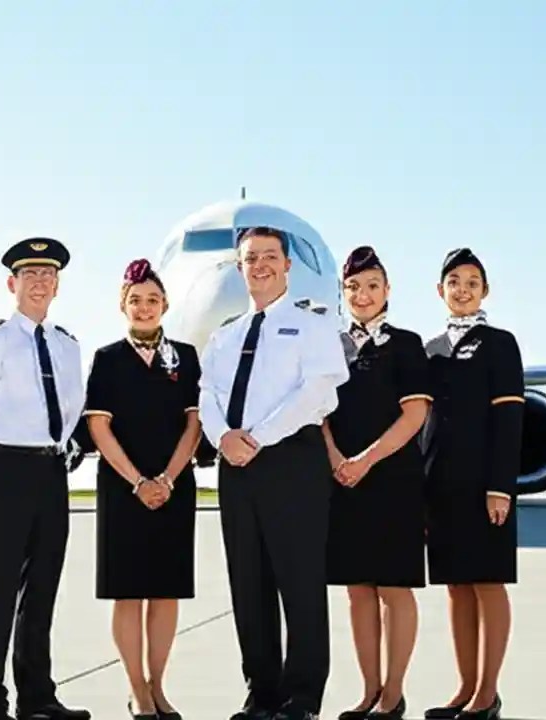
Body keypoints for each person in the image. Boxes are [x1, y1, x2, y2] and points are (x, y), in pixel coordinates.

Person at [198, 226, 349, 720]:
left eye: (269, 256)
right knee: (249, 582)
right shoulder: (225, 336)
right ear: (239, 268)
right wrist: (223, 437)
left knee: (299, 580)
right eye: (250, 258)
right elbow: (209, 397)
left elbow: (318, 390)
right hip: (236, 465)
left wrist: (257, 436)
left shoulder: (313, 325)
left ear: (287, 266)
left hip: (290, 459)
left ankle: (301, 698)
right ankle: (260, 693)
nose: (259, 265)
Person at [0, 237, 90, 720]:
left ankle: (38, 696)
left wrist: (64, 448)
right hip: (3, 469)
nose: (40, 282)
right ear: (12, 284)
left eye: (48, 274)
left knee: (42, 590)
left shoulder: (68, 346)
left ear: (57, 284)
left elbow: (72, 408)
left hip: (50, 471)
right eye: (29, 274)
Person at [83, 258, 203, 719]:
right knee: (128, 592)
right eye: (136, 300)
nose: (145, 307)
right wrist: (137, 482)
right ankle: (137, 688)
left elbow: (194, 423)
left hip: (174, 486)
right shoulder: (108, 359)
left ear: (165, 305)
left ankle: (158, 684)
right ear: (123, 305)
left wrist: (168, 479)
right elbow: (99, 426)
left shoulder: (186, 357)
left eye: (153, 299)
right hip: (122, 489)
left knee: (166, 590)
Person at [322, 246, 432, 720]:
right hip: (343, 480)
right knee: (357, 589)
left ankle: (394, 692)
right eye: (353, 287)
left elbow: (416, 413)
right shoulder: (331, 345)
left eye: (371, 286)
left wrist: (364, 460)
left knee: (394, 588)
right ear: (342, 293)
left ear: (387, 291)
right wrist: (336, 460)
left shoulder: (406, 344)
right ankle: (369, 690)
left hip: (393, 481)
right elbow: (319, 410)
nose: (362, 295)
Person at [420, 247, 524, 720]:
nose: (462, 290)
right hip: (440, 487)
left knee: (487, 582)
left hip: (485, 486)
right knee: (456, 587)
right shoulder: (429, 350)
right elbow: (424, 428)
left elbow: (509, 420)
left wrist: (501, 485)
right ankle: (464, 688)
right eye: (454, 282)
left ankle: (488, 692)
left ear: (485, 291)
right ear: (440, 290)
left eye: (472, 282)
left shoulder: (500, 343)